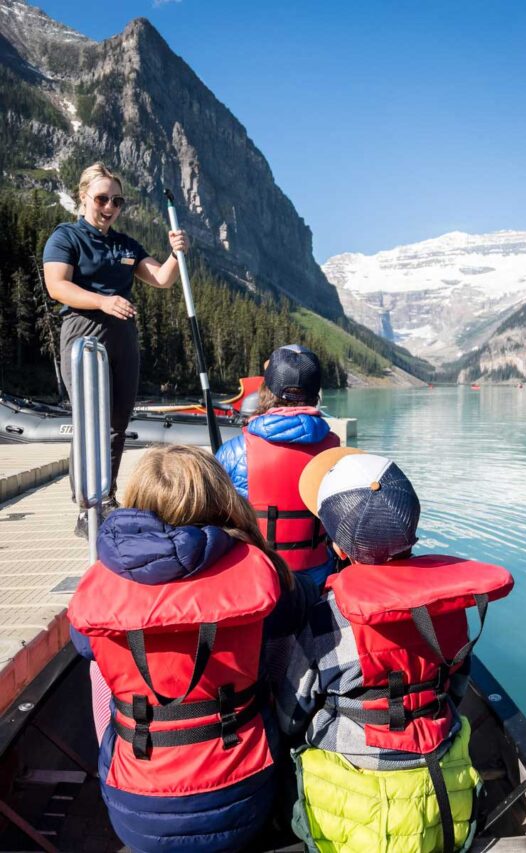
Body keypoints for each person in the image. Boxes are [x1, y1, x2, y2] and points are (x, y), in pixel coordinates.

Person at [66, 445, 317, 853]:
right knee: (275, 634)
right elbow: (300, 610)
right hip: (244, 797)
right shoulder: (258, 570)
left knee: (98, 656)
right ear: (220, 499)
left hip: (134, 811)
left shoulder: (102, 584)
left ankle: (125, 754)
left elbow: (82, 643)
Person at [277, 448, 515, 853]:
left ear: (336, 548)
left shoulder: (323, 621)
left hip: (356, 823)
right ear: (413, 528)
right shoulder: (452, 608)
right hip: (446, 807)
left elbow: (289, 716)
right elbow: (456, 689)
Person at [43, 162, 189, 537]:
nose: (109, 206)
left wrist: (176, 254)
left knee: (117, 423)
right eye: (102, 198)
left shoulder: (125, 245)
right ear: (84, 197)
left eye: (117, 201)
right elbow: (57, 287)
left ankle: (106, 498)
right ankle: (85, 507)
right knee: (90, 423)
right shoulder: (66, 237)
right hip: (84, 334)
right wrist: (102, 301)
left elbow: (160, 279)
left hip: (123, 337)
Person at [216, 344, 340, 588]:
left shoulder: (235, 451)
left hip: (258, 580)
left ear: (265, 391)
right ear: (316, 396)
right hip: (318, 580)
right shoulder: (335, 451)